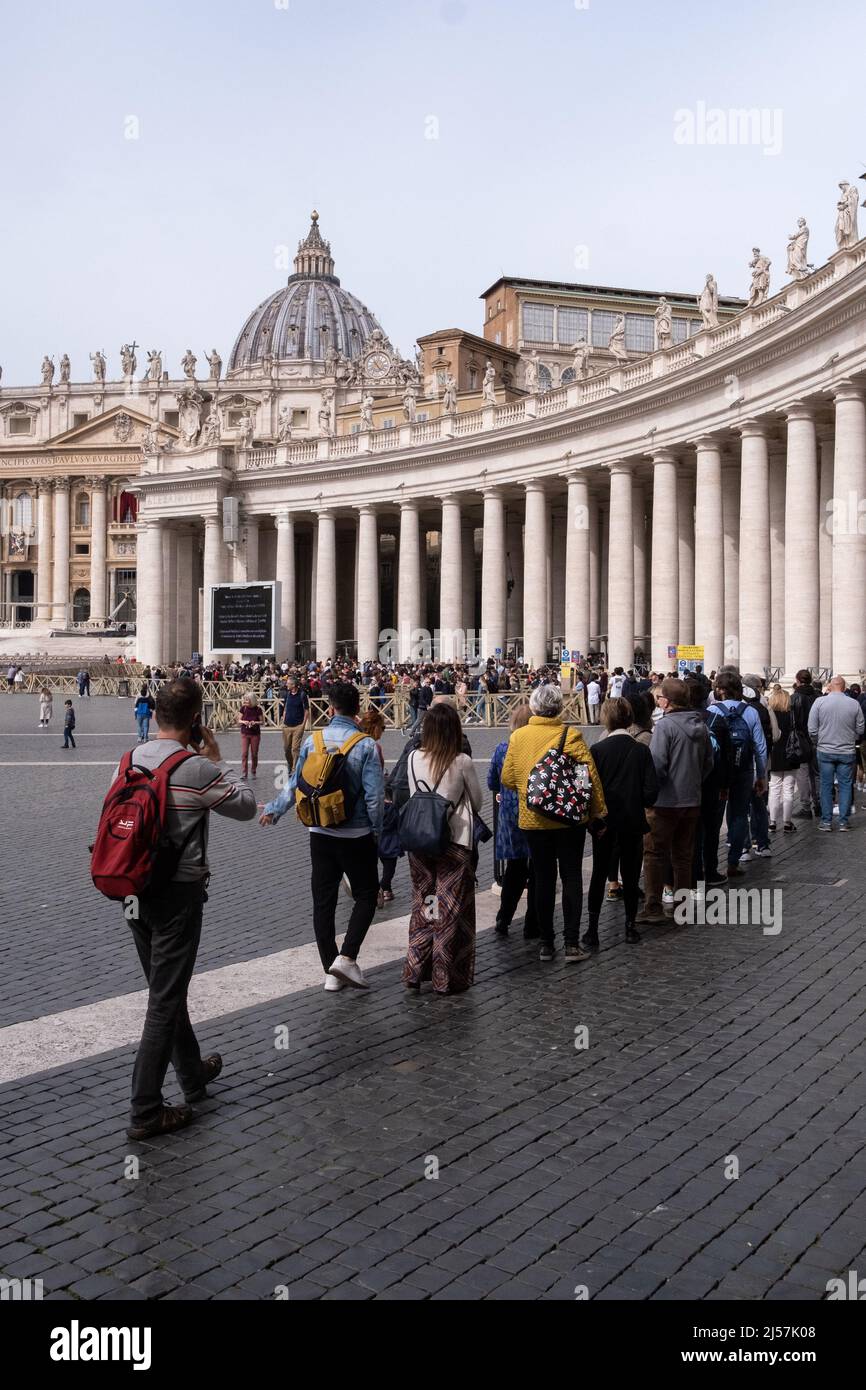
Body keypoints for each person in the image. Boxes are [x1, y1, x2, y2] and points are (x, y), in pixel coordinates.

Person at [121, 677, 257, 1139]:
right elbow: (245, 806)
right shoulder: (196, 767)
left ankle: (192, 1076)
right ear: (196, 719)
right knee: (164, 998)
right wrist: (218, 762)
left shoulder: (129, 759)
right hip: (177, 895)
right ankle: (145, 1109)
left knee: (165, 988)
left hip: (131, 891)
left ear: (155, 715)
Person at [261, 681, 383, 990]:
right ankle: (347, 958)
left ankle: (330, 971)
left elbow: (294, 784)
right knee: (367, 895)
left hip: (319, 831)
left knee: (323, 901)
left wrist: (274, 810)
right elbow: (374, 798)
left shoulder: (312, 741)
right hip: (356, 834)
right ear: (357, 710)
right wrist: (377, 832)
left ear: (330, 708)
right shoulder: (365, 744)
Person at [501, 683, 606, 963]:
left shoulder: (519, 737)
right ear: (559, 708)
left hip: (533, 819)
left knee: (543, 879)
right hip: (570, 819)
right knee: (571, 876)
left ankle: (546, 944)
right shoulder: (570, 734)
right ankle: (572, 943)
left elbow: (507, 779)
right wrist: (597, 812)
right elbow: (589, 778)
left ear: (534, 707)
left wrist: (530, 788)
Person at [402, 701, 483, 994]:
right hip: (453, 842)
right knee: (447, 910)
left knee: (425, 905)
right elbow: (476, 803)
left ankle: (413, 970)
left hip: (419, 840)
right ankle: (442, 977)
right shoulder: (461, 761)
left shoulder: (412, 758)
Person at [582, 697, 658, 950]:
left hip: (604, 823)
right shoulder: (640, 750)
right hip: (632, 821)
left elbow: (588, 790)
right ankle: (630, 926)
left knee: (600, 874)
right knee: (630, 872)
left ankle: (592, 930)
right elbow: (650, 793)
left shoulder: (597, 750)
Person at [637, 678, 713, 925]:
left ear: (665, 701)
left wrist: (650, 793)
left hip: (665, 801)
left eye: (660, 697)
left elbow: (657, 765)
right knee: (683, 855)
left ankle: (653, 907)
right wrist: (693, 781)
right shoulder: (701, 725)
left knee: (655, 854)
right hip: (692, 800)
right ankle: (683, 906)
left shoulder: (665, 727)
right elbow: (709, 763)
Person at [487, 701, 538, 939]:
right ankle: (532, 923)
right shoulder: (540, 746)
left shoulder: (501, 749)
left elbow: (491, 782)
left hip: (510, 816)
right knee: (538, 868)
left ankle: (503, 918)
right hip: (537, 814)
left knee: (515, 870)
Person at [711, 671, 768, 877]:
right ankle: (733, 862)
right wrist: (761, 775)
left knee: (714, 818)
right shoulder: (750, 711)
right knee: (739, 815)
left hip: (718, 773)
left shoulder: (712, 710)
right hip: (743, 770)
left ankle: (709, 864)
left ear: (719, 690)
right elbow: (760, 747)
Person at [808, 676, 864, 831]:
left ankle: (826, 821)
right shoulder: (854, 704)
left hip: (825, 749)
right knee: (846, 786)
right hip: (847, 750)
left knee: (826, 785)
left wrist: (819, 740)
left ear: (830, 686)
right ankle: (843, 822)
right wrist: (851, 737)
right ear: (844, 686)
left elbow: (812, 728)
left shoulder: (819, 702)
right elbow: (860, 729)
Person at [767, 686, 799, 833]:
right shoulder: (792, 715)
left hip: (775, 753)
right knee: (788, 789)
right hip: (791, 752)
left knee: (774, 787)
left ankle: (772, 821)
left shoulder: (770, 715)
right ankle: (787, 822)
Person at [790, 670, 821, 819]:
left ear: (797, 680)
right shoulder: (818, 697)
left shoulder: (794, 697)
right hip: (817, 739)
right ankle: (819, 804)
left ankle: (805, 807)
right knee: (816, 773)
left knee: (802, 773)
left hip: (800, 738)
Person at [280, 675, 309, 771]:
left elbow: (306, 710)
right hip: (287, 725)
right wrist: (283, 721)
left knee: (295, 748)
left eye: (288, 683)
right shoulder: (287, 694)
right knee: (286, 749)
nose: (286, 685)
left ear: (294, 685)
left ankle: (294, 769)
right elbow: (285, 708)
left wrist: (303, 725)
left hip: (298, 726)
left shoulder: (302, 695)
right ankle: (290, 763)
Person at [239, 690, 264, 777]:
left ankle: (253, 770)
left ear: (252, 700)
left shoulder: (258, 709)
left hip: (255, 734)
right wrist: (244, 722)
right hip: (245, 733)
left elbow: (262, 722)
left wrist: (255, 722)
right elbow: (238, 720)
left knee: (254, 754)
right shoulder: (243, 708)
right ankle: (244, 772)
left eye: (247, 700)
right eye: (245, 700)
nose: (245, 701)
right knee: (244, 753)